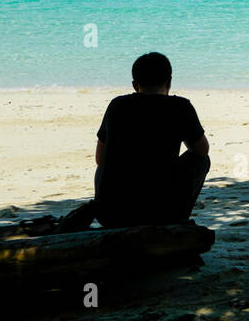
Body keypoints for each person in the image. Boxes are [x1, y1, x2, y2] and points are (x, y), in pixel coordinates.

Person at [57, 52, 210, 231]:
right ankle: (177, 216)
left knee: (104, 166)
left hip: (111, 215)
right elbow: (202, 150)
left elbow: (100, 159)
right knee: (202, 160)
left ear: (135, 85)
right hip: (160, 213)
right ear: (169, 82)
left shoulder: (117, 105)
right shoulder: (181, 107)